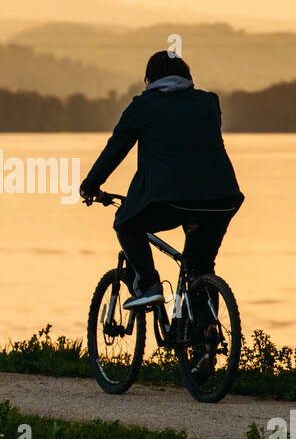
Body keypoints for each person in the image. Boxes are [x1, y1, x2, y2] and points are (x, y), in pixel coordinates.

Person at [80, 50, 244, 309]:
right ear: (187, 76)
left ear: (150, 79)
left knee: (126, 223)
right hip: (222, 199)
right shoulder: (209, 102)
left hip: (169, 199)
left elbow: (115, 150)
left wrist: (90, 186)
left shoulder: (142, 107)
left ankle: (149, 285)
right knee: (200, 266)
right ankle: (205, 336)